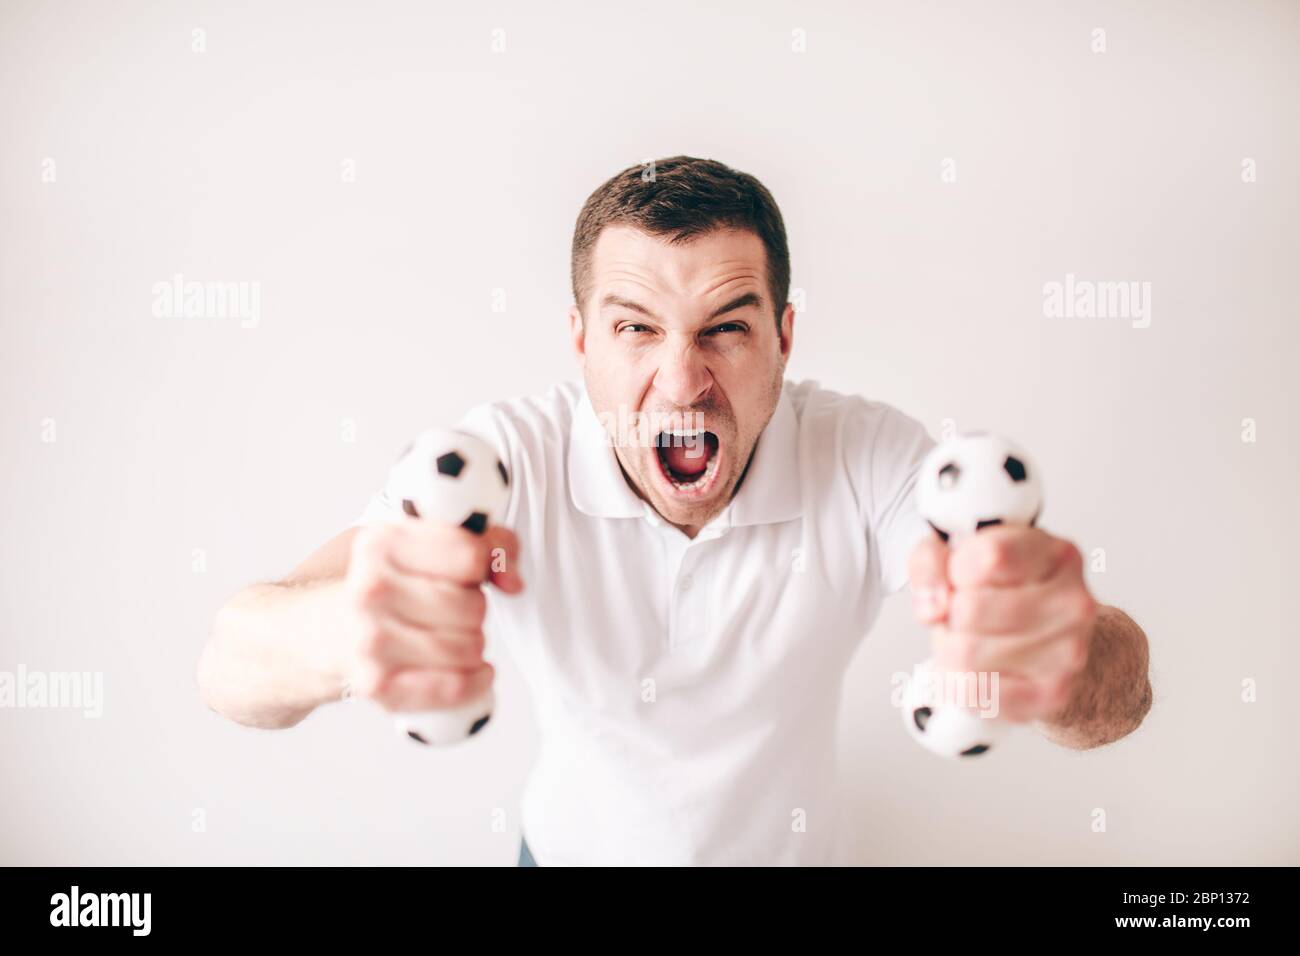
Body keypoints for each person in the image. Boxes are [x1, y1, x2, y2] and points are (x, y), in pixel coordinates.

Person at [197, 156, 1152, 866]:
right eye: (636, 328)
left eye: (727, 328)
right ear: (580, 342)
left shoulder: (869, 456)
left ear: (784, 337)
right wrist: (354, 626)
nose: (683, 380)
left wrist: (1055, 654)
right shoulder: (498, 462)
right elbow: (230, 669)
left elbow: (1121, 700)